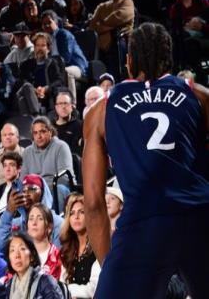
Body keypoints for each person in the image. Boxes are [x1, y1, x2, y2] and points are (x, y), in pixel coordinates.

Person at [82, 22, 209, 298]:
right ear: (169, 59)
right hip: (199, 216)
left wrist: (112, 268)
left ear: (128, 61)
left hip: (143, 222)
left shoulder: (101, 110)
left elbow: (92, 202)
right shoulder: (198, 95)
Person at [59, 194, 99, 298]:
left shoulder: (98, 247)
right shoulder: (67, 250)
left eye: (82, 212)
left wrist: (68, 290)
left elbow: (93, 289)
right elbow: (61, 285)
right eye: (72, 213)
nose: (76, 217)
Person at [4, 232, 63, 299]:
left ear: (32, 256)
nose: (17, 255)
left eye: (22, 249)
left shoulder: (46, 282)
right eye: (12, 250)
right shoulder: (9, 285)